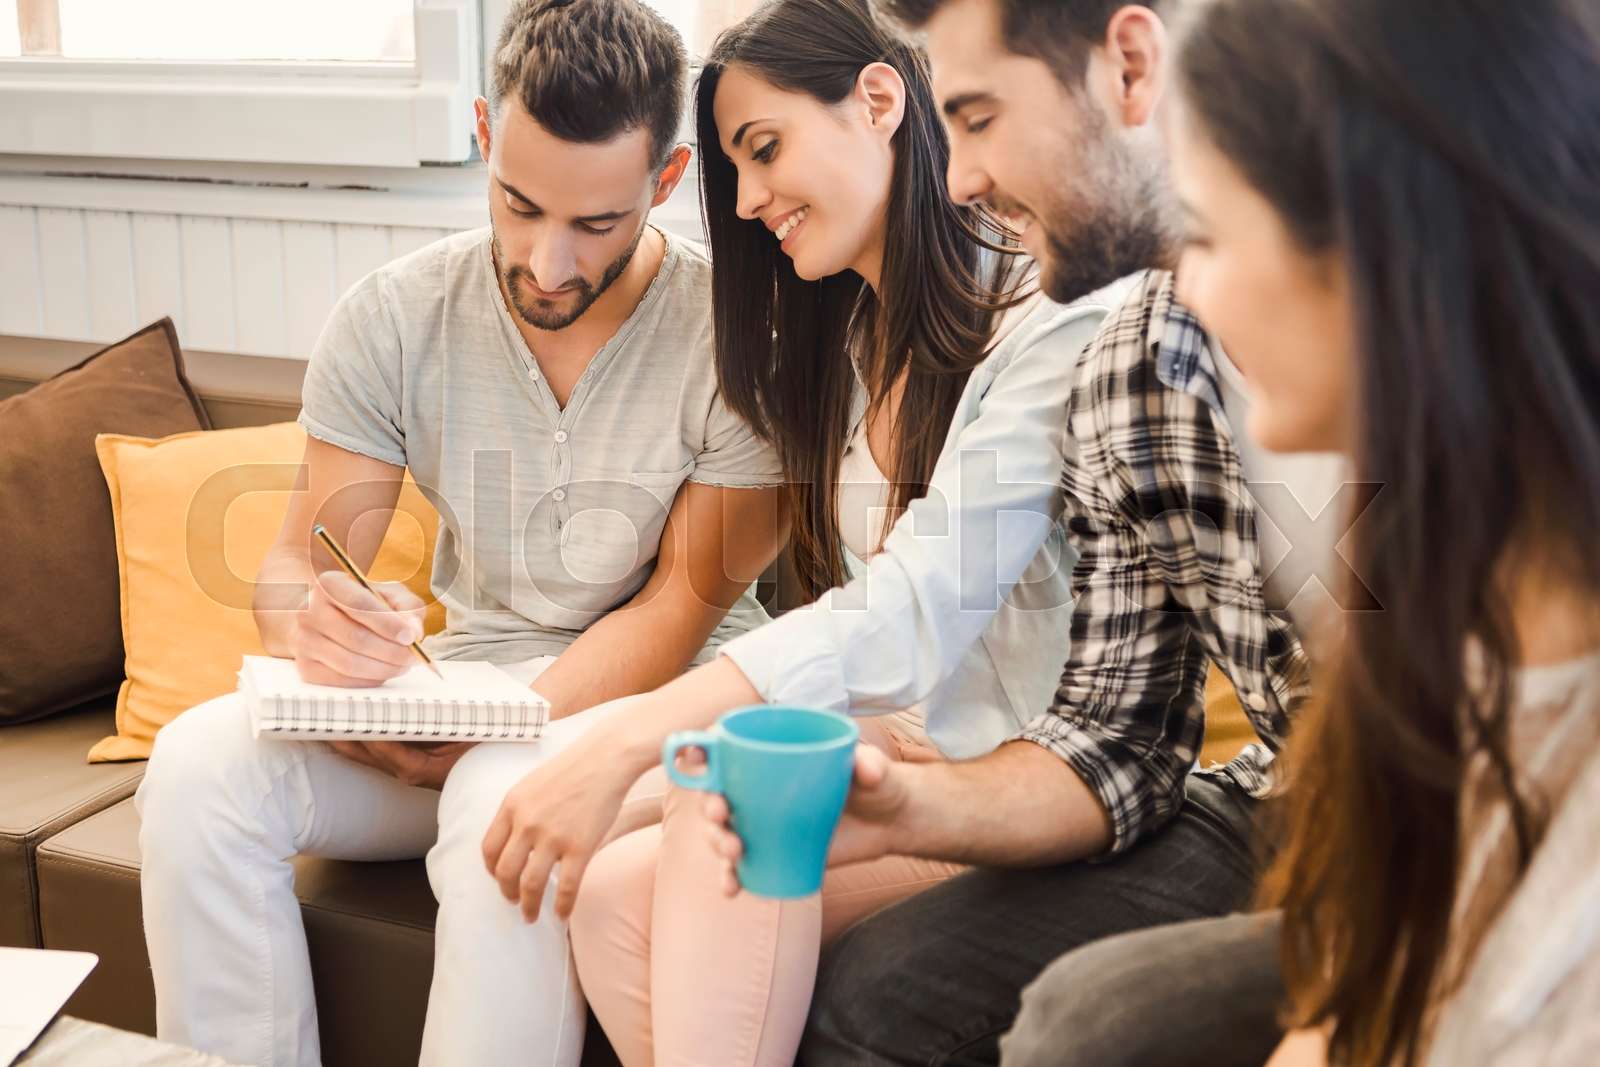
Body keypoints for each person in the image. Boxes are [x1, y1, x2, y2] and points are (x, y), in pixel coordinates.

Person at [699, 0, 1372, 1060]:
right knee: (879, 993)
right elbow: (1112, 739)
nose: (958, 174)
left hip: (1471, 825)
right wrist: (904, 810)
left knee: (1081, 1026)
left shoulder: (1422, 315)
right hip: (1296, 795)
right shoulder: (1122, 373)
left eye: (975, 116)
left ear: (1133, 69)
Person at [460, 0, 1122, 1062]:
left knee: (709, 828)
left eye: (764, 150)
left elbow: (911, 604)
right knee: (606, 892)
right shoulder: (849, 335)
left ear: (877, 102)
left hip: (1017, 779)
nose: (753, 197)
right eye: (734, 170)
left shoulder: (1042, 325)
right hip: (904, 736)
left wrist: (634, 738)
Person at [133, 2, 786, 1065]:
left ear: (664, 184)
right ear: (485, 134)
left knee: (501, 809)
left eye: (597, 223)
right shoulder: (395, 315)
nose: (548, 261)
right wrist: (321, 629)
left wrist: (492, 728)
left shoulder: (739, 339)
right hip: (467, 685)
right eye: (519, 205)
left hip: (650, 708)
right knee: (197, 765)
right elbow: (304, 558)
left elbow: (677, 612)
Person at [1007, 1, 1600, 1066]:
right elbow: (1379, 970)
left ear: (1379, 240)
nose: (1185, 286)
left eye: (1208, 233)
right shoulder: (1441, 573)